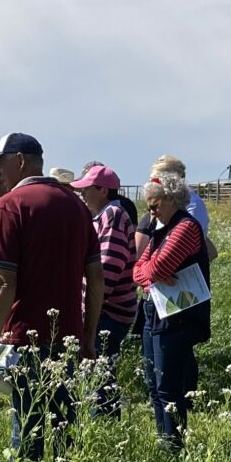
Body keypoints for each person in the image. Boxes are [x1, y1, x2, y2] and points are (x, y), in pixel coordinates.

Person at [0, 132, 101, 461]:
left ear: (19, 161)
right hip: (68, 335)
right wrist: (88, 337)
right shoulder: (77, 206)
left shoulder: (10, 206)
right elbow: (96, 278)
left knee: (27, 420)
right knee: (62, 420)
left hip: (26, 336)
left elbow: (3, 282)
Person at [134, 169, 213, 449]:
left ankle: (173, 446)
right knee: (153, 383)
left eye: (154, 206)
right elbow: (137, 270)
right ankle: (163, 440)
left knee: (168, 385)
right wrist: (150, 273)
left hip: (177, 317)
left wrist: (150, 272)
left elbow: (157, 268)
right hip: (155, 311)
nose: (151, 213)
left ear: (171, 199)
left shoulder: (185, 227)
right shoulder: (163, 228)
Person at [73, 163, 139, 417]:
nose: (82, 194)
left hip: (108, 310)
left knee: (99, 371)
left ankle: (103, 421)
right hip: (106, 308)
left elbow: (107, 268)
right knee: (97, 371)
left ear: (103, 190)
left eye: (87, 189)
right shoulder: (104, 216)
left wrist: (92, 304)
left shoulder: (113, 216)